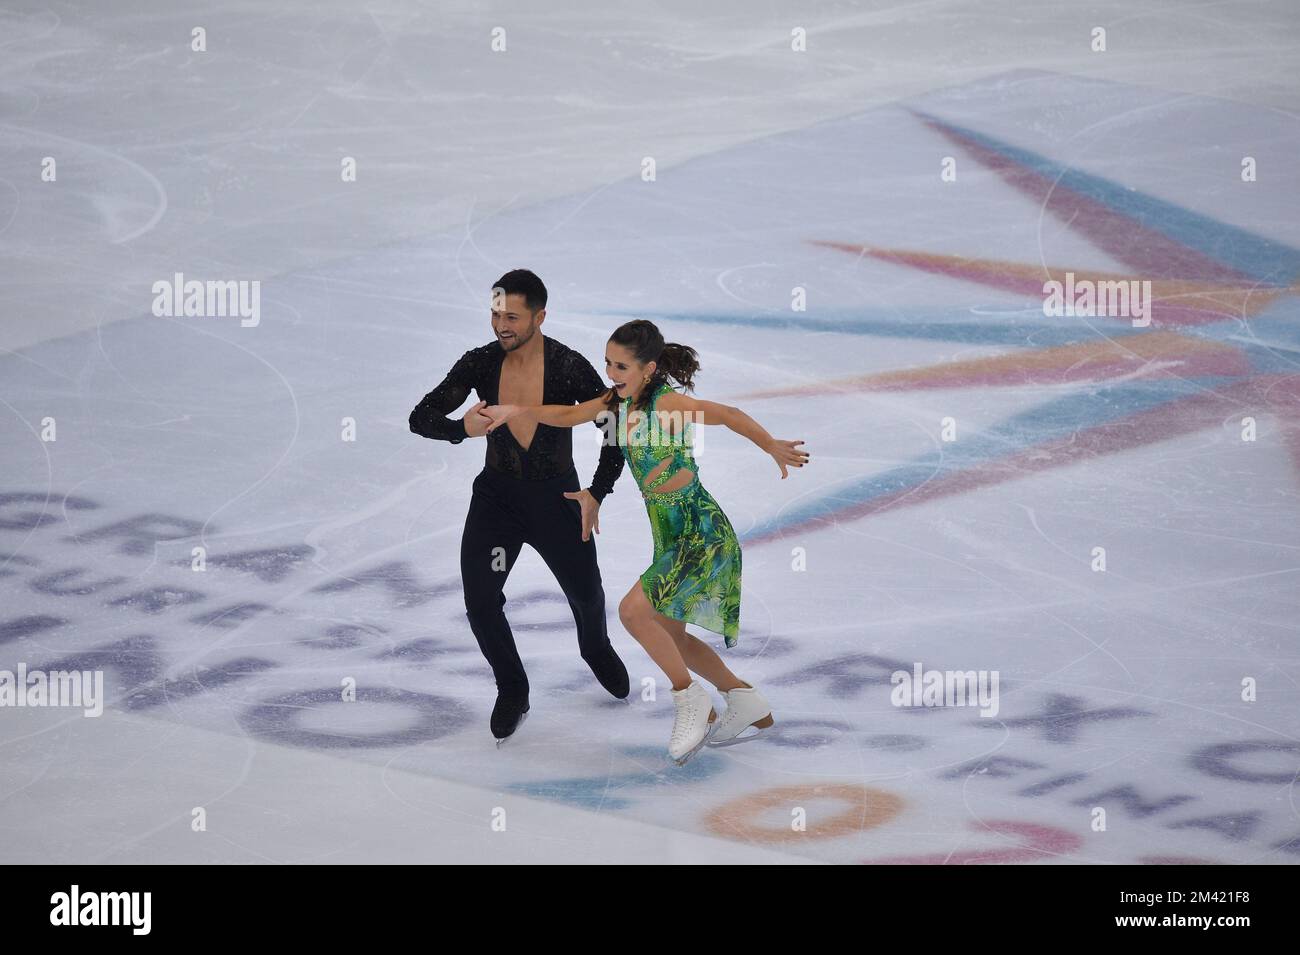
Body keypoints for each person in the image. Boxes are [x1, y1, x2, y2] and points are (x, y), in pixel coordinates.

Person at [483, 319, 810, 764]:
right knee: (674, 638)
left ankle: (689, 700)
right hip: (671, 537)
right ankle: (745, 699)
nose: (611, 372)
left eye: (621, 365)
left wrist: (771, 444)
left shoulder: (667, 403)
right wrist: (517, 411)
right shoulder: (616, 404)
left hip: (701, 534)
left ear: (649, 368)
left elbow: (727, 415)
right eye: (608, 363)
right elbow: (566, 414)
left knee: (633, 613)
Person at [408, 269, 630, 743]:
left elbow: (614, 428)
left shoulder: (568, 366)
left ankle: (596, 648)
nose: (501, 325)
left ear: (540, 316)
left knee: (587, 596)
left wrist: (596, 492)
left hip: (558, 499)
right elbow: (421, 417)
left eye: (512, 316)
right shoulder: (480, 363)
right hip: (498, 502)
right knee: (481, 601)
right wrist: (460, 430)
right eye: (494, 314)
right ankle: (512, 686)